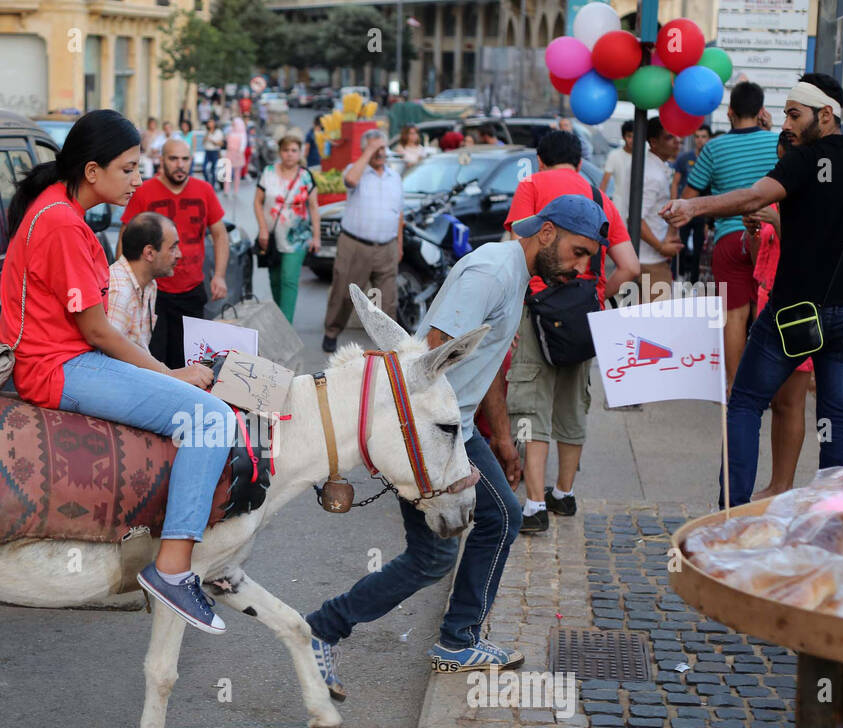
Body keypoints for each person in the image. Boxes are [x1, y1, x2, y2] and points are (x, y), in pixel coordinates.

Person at [305, 195, 610, 694]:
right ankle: (327, 629)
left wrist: (504, 440)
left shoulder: (514, 277)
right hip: (426, 435)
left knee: (490, 524)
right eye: (578, 252)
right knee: (442, 552)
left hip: (455, 430)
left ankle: (452, 638)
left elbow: (477, 365)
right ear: (548, 233)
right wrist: (423, 457)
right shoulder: (492, 273)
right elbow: (425, 359)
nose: (581, 267)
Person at [0, 109, 233, 633]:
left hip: (65, 359)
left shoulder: (60, 209)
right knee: (213, 418)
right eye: (128, 169)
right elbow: (99, 331)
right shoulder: (61, 223)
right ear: (91, 172)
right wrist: (171, 376)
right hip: (59, 367)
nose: (137, 179)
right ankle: (172, 571)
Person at [662, 73, 843, 507]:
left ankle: (730, 513)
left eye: (795, 116)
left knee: (744, 404)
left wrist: (694, 206)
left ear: (826, 115)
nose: (787, 126)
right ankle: (831, 520)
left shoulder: (802, 161)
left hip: (794, 312)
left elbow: (753, 198)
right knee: (834, 419)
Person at [503, 130, 641, 533]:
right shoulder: (599, 199)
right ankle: (563, 493)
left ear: (540, 160)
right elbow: (630, 266)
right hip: (584, 316)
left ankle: (533, 506)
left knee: (531, 403)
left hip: (538, 309)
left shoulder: (531, 184)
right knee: (572, 403)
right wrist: (598, 294)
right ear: (580, 164)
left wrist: (509, 310)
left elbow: (517, 249)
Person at [680, 81, 780, 389]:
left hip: (728, 240)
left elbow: (689, 195)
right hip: (769, 238)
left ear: (730, 112)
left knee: (733, 316)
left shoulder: (714, 147)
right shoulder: (776, 143)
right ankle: (767, 383)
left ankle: (735, 386)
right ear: (761, 110)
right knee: (764, 310)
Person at [121, 135, 229, 369]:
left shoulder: (205, 190)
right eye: (173, 158)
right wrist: (125, 283)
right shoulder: (144, 192)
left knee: (192, 362)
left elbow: (220, 234)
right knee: (154, 361)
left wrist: (219, 275)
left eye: (185, 159)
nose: (180, 164)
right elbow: (125, 237)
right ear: (162, 160)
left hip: (192, 291)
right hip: (153, 292)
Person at [744, 131, 810, 499]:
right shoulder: (779, 198)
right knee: (777, 401)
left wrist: (775, 220)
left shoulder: (809, 199)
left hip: (798, 311)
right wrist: (754, 233)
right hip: (771, 306)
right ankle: (777, 482)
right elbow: (758, 264)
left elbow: (808, 247)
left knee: (790, 401)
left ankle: (783, 484)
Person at [319, 129, 404, 352]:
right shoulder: (355, 171)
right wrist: (369, 151)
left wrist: (399, 244)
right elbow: (350, 180)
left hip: (387, 247)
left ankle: (387, 345)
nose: (380, 153)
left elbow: (399, 214)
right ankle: (331, 331)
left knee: (387, 300)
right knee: (344, 294)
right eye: (375, 149)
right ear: (366, 150)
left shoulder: (394, 177)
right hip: (356, 245)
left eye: (383, 148)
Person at [254, 134, 321, 324]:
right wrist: (262, 229)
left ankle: (285, 328)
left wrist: (316, 236)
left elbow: (314, 207)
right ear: (280, 152)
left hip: (297, 238)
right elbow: (257, 203)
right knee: (275, 281)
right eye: (286, 150)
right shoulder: (268, 172)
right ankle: (279, 320)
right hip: (271, 237)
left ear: (300, 153)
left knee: (289, 281)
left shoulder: (306, 176)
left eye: (294, 151)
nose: (290, 155)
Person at [107, 211, 179, 351]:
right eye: (172, 248)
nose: (179, 255)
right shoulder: (119, 292)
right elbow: (108, 360)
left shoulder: (149, 284)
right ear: (149, 253)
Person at [637, 118, 683, 302]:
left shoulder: (655, 166)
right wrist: (661, 247)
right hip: (649, 261)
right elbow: (635, 218)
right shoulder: (652, 175)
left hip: (649, 258)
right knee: (657, 322)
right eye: (669, 137)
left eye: (677, 135)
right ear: (653, 142)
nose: (677, 140)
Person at [671, 123, 712, 283]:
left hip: (702, 211)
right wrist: (674, 204)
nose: (700, 140)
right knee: (679, 244)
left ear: (709, 139)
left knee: (698, 248)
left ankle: (694, 282)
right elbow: (675, 183)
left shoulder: (711, 160)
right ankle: (677, 277)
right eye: (697, 137)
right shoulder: (684, 158)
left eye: (703, 137)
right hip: (683, 209)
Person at [600, 120, 634, 221]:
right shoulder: (614, 155)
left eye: (635, 136)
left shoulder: (645, 155)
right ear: (624, 137)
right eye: (629, 136)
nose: (632, 140)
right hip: (620, 205)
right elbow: (604, 182)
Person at [225, 117, 248, 197]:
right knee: (227, 173)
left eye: (234, 123)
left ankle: (235, 191)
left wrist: (238, 153)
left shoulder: (242, 134)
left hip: (237, 154)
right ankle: (226, 190)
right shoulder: (230, 131)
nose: (233, 124)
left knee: (237, 174)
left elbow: (243, 146)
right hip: (229, 153)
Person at [203, 117, 224, 188]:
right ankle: (207, 184)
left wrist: (211, 140)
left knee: (213, 170)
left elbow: (221, 143)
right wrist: (206, 138)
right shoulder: (206, 132)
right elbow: (203, 143)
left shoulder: (218, 132)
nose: (209, 124)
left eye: (211, 122)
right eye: (208, 122)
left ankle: (212, 186)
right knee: (204, 168)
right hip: (207, 151)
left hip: (215, 152)